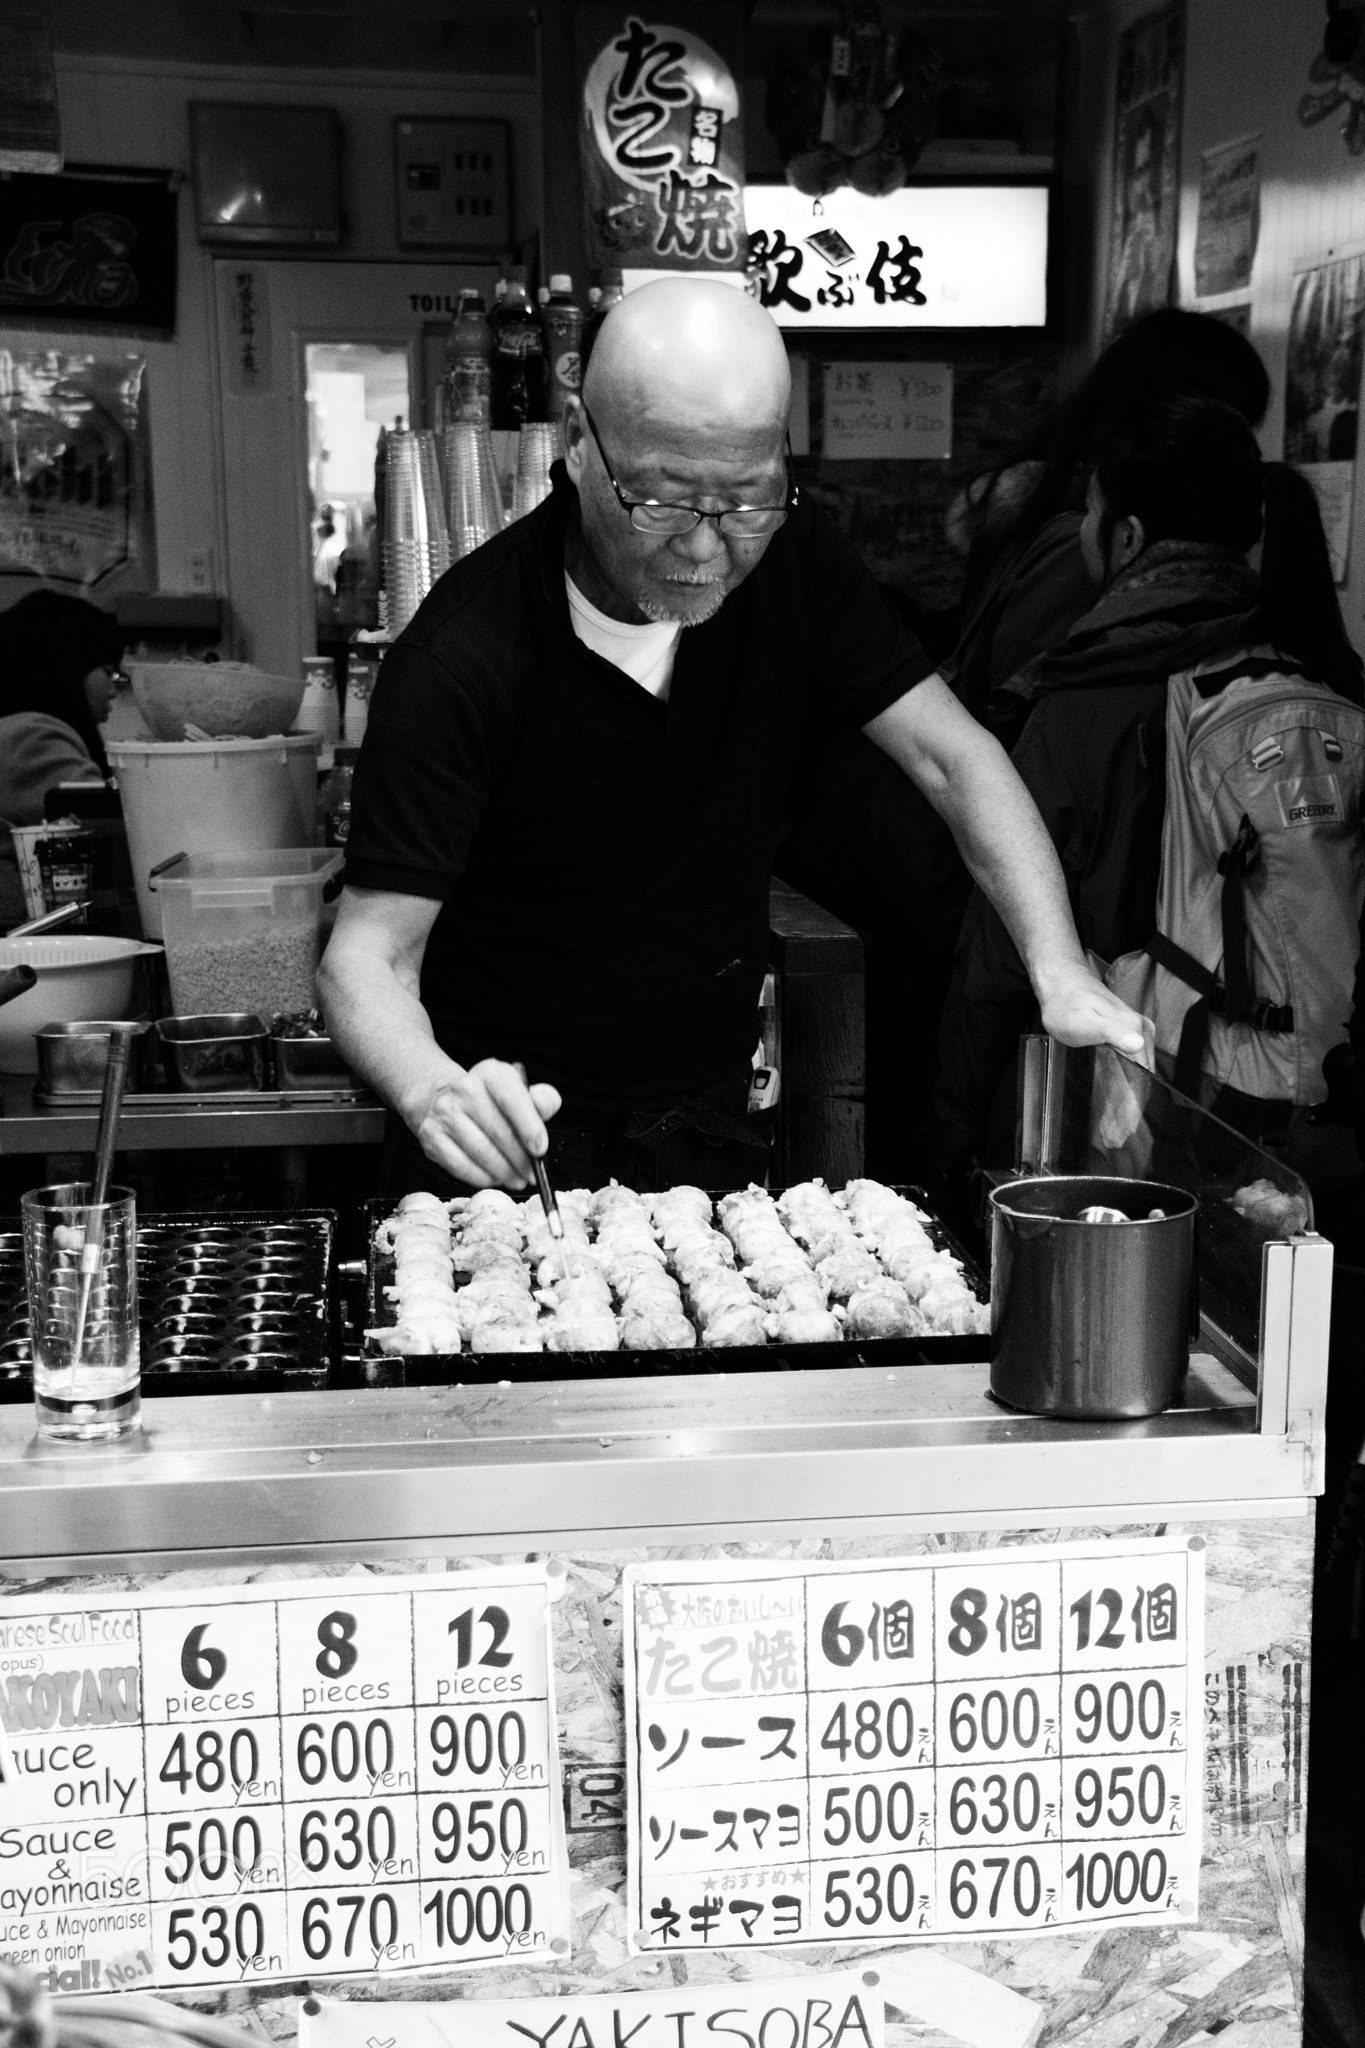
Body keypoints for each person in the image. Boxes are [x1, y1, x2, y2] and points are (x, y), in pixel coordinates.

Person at [319, 278, 1145, 1198]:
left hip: (707, 1125)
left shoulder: (794, 561)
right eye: (664, 503)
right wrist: (434, 1092)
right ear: (579, 449)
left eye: (748, 500)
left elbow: (952, 760)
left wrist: (1058, 969)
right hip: (509, 1151)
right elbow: (367, 956)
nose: (708, 547)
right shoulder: (464, 655)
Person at [932, 390, 1364, 1184]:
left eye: (1090, 512)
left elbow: (995, 955)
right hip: (1296, 1112)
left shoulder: (1085, 699)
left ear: (1125, 536)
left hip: (1111, 1118)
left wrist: (952, 1135)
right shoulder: (1321, 670)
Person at [0, 589, 124, 826]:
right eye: (108, 672)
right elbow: (108, 826)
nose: (113, 691)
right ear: (67, 668)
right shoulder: (33, 738)